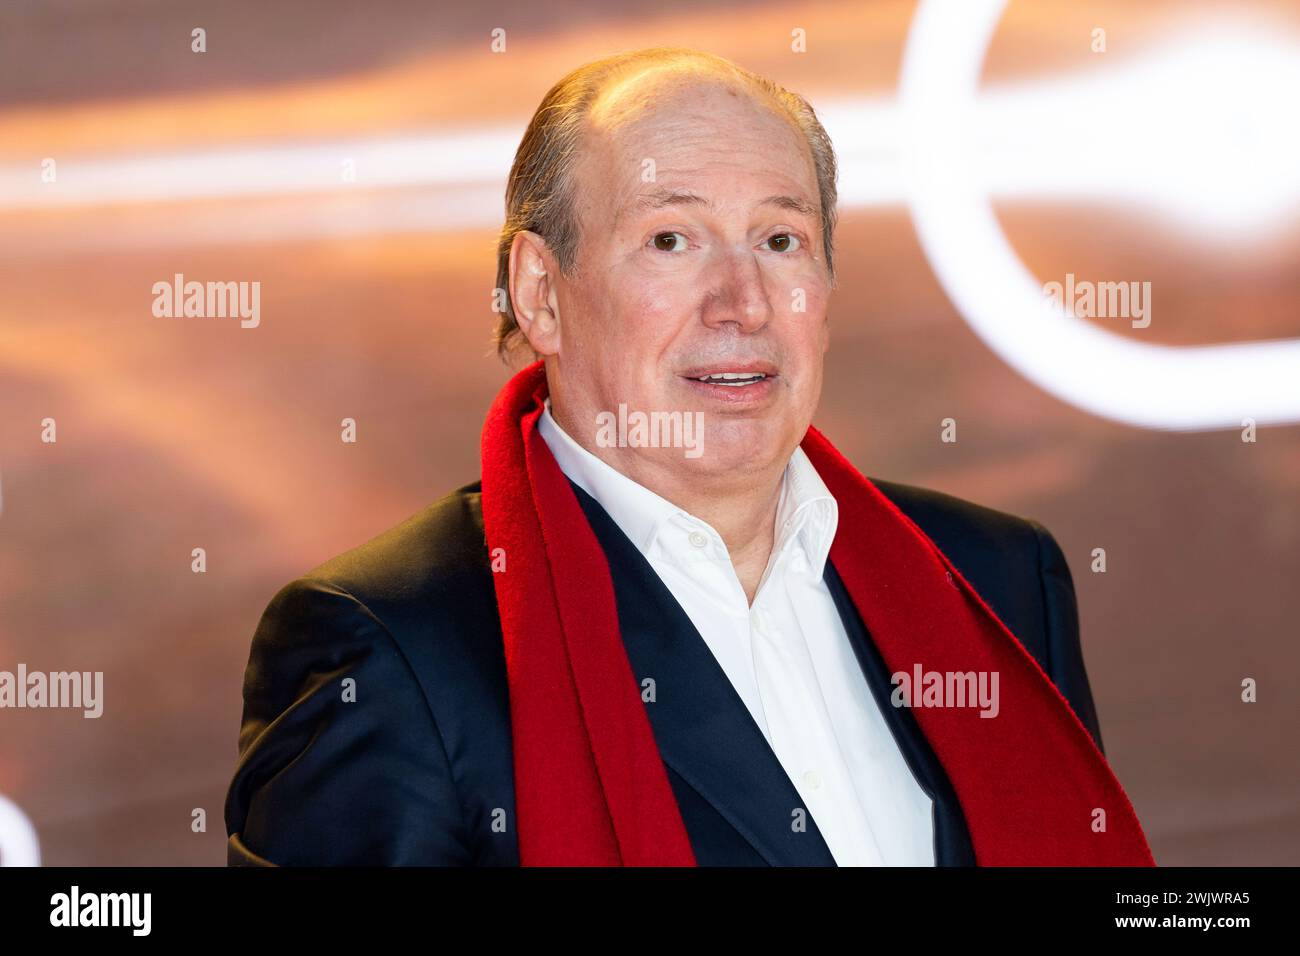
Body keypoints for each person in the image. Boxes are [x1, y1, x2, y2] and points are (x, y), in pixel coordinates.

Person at [224, 47, 1153, 866]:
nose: (743, 302)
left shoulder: (996, 580)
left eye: (780, 241)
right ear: (540, 294)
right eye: (671, 239)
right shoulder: (389, 649)